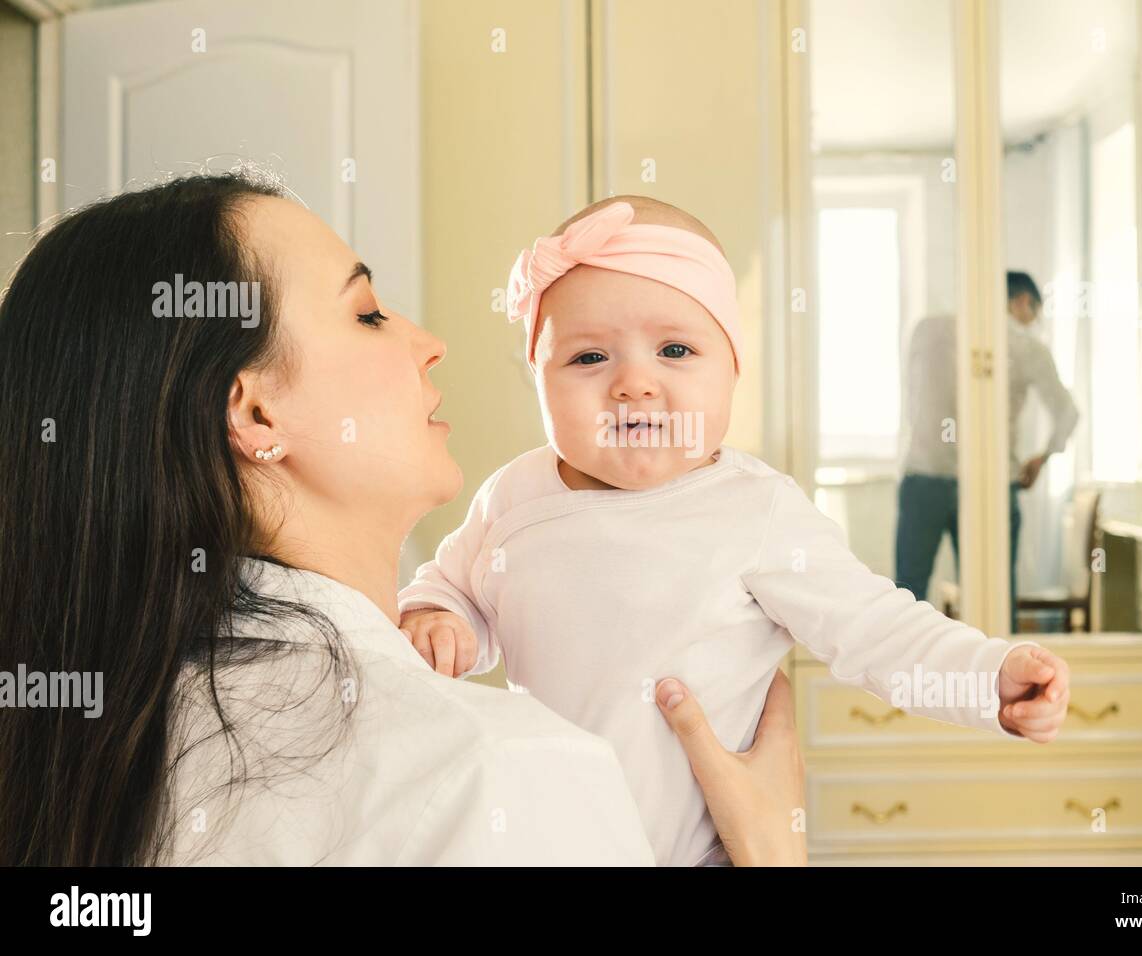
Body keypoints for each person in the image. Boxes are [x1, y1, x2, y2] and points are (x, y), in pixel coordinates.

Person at [0, 173, 805, 866]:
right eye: (369, 314)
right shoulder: (497, 773)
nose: (431, 344)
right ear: (253, 412)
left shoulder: (90, 739)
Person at [398, 198, 1072, 866]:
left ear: (732, 370)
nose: (634, 384)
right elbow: (453, 587)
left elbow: (880, 631)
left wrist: (985, 682)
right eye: (588, 358)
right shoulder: (513, 497)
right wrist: (439, 618)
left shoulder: (755, 510)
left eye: (674, 349)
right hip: (548, 840)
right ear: (537, 378)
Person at [895, 271, 1079, 631]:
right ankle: (998, 684)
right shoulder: (1025, 348)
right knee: (994, 604)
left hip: (923, 478)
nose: (1034, 324)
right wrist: (1043, 458)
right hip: (989, 486)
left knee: (907, 596)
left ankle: (907, 684)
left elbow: (912, 402)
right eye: (1035, 315)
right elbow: (1067, 412)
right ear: (1022, 303)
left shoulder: (928, 330)